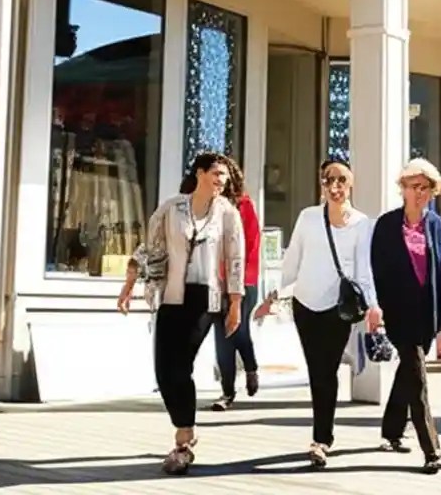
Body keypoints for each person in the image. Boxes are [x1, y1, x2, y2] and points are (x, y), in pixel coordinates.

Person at [116, 152, 244, 475]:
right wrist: (129, 283)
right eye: (216, 173)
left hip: (205, 298)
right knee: (163, 370)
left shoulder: (228, 213)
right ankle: (184, 426)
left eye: (225, 177)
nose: (221, 180)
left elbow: (236, 259)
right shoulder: (171, 208)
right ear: (200, 173)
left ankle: (183, 439)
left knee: (181, 366)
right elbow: (150, 248)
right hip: (170, 295)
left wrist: (236, 304)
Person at [252, 158, 377, 467]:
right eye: (327, 181)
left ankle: (322, 439)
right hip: (305, 305)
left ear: (351, 184)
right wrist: (277, 295)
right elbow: (292, 261)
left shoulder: (363, 223)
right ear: (321, 185)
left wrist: (373, 305)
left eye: (341, 180)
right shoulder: (308, 218)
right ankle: (322, 435)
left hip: (339, 309)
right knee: (316, 370)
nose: (334, 187)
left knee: (327, 371)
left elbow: (365, 271)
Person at [368, 158, 441, 475]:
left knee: (408, 373)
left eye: (425, 188)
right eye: (413, 186)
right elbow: (375, 271)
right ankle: (431, 449)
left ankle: (391, 432)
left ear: (432, 192)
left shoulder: (436, 224)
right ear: (402, 189)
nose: (418, 193)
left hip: (429, 312)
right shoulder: (386, 225)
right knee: (418, 380)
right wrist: (374, 307)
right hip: (398, 312)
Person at [207, 157, 262, 411]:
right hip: (215, 282)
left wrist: (240, 279)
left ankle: (250, 367)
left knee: (238, 331)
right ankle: (227, 393)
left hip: (243, 282)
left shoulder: (244, 205)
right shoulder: (207, 207)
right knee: (222, 338)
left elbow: (252, 244)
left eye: (222, 175)